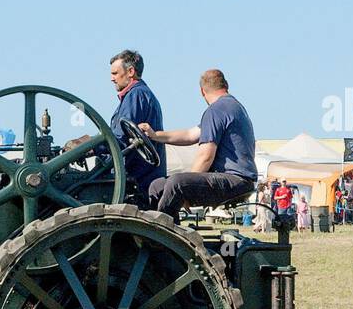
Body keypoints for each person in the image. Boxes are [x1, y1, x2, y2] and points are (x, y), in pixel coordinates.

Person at [136, 69, 258, 221]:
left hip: (235, 179)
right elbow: (189, 134)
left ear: (202, 91)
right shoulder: (231, 107)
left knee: (177, 183)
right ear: (226, 85)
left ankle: (159, 236)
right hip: (240, 181)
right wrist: (155, 135)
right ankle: (166, 229)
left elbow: (206, 156)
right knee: (157, 185)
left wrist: (187, 187)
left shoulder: (216, 110)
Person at [63, 49, 167, 200]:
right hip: (142, 178)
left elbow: (120, 141)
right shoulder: (138, 96)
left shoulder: (136, 96)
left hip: (137, 181)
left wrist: (86, 145)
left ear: (131, 71)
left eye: (115, 73)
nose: (112, 79)